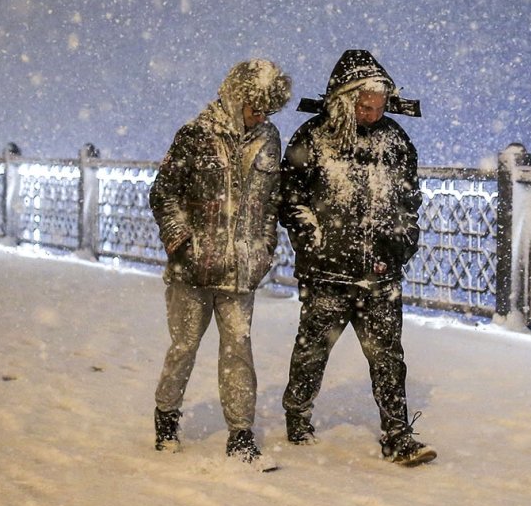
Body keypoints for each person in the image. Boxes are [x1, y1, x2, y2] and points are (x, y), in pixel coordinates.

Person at [279, 50, 436, 466]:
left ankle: (398, 436)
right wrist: (314, 244)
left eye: (379, 106)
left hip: (379, 277)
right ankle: (297, 415)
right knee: (312, 352)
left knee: (388, 358)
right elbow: (291, 202)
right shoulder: (312, 137)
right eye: (365, 106)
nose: (373, 114)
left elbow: (408, 204)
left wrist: (398, 249)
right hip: (326, 274)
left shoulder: (396, 141)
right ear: (346, 100)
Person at [148, 59, 293, 463]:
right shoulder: (195, 135)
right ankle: (166, 418)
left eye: (267, 110)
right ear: (235, 98)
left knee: (238, 350)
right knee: (184, 347)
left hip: (241, 270)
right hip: (192, 270)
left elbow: (270, 203)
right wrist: (182, 243)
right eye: (255, 107)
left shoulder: (269, 140)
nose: (260, 116)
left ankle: (241, 433)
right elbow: (164, 194)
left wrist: (264, 248)